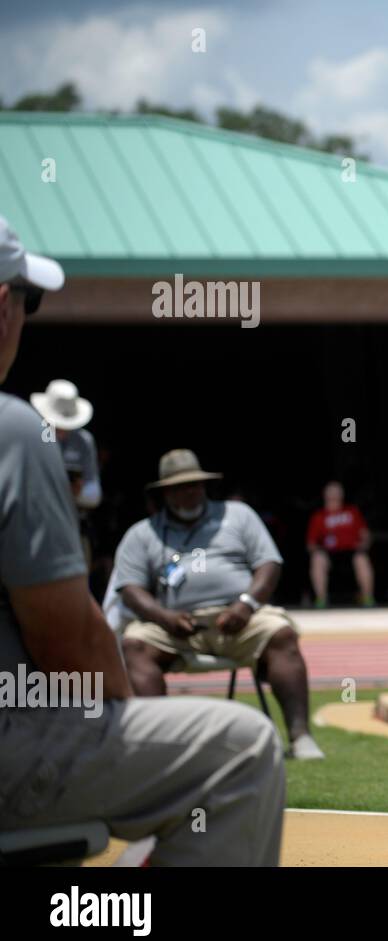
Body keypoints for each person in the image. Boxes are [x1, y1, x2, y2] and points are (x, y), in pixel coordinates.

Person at [0, 216, 285, 864]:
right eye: (29, 300)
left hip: (70, 555)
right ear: (1, 307)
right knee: (242, 750)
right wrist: (117, 705)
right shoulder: (17, 430)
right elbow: (70, 645)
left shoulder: (66, 442)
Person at [114, 450, 326, 760]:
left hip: (240, 616)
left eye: (196, 485)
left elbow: (269, 563)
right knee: (134, 644)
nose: (191, 492)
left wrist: (246, 604)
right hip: (175, 625)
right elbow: (129, 587)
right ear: (165, 493)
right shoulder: (142, 533)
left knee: (280, 633)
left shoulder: (238, 515)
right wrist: (163, 617)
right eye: (181, 487)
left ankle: (300, 736)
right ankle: (157, 747)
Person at [30, 378, 102, 512]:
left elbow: (94, 494)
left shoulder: (83, 440)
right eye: (57, 425)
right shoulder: (33, 435)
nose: (62, 430)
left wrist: (78, 493)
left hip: (69, 514)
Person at [306, 481, 375, 608]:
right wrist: (319, 550)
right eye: (331, 492)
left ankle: (367, 597)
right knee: (317, 559)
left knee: (362, 558)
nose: (334, 495)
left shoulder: (352, 511)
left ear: (342, 495)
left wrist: (364, 545)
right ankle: (321, 599)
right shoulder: (318, 517)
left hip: (351, 551)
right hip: (329, 554)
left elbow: (365, 534)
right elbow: (311, 544)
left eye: (337, 492)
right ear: (325, 495)